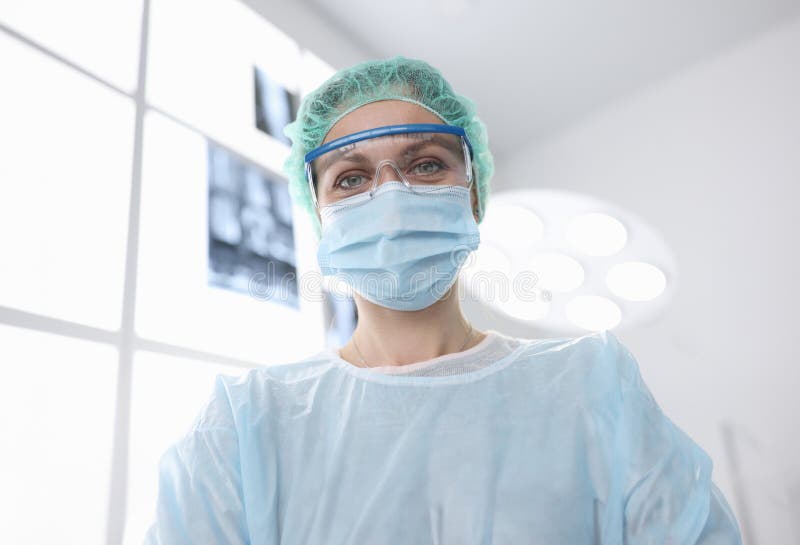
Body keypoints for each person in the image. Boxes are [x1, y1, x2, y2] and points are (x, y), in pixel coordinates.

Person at [142, 56, 743, 544]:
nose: (392, 195)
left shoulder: (592, 385)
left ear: (473, 194)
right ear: (320, 214)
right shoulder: (248, 424)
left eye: (426, 163)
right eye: (351, 178)